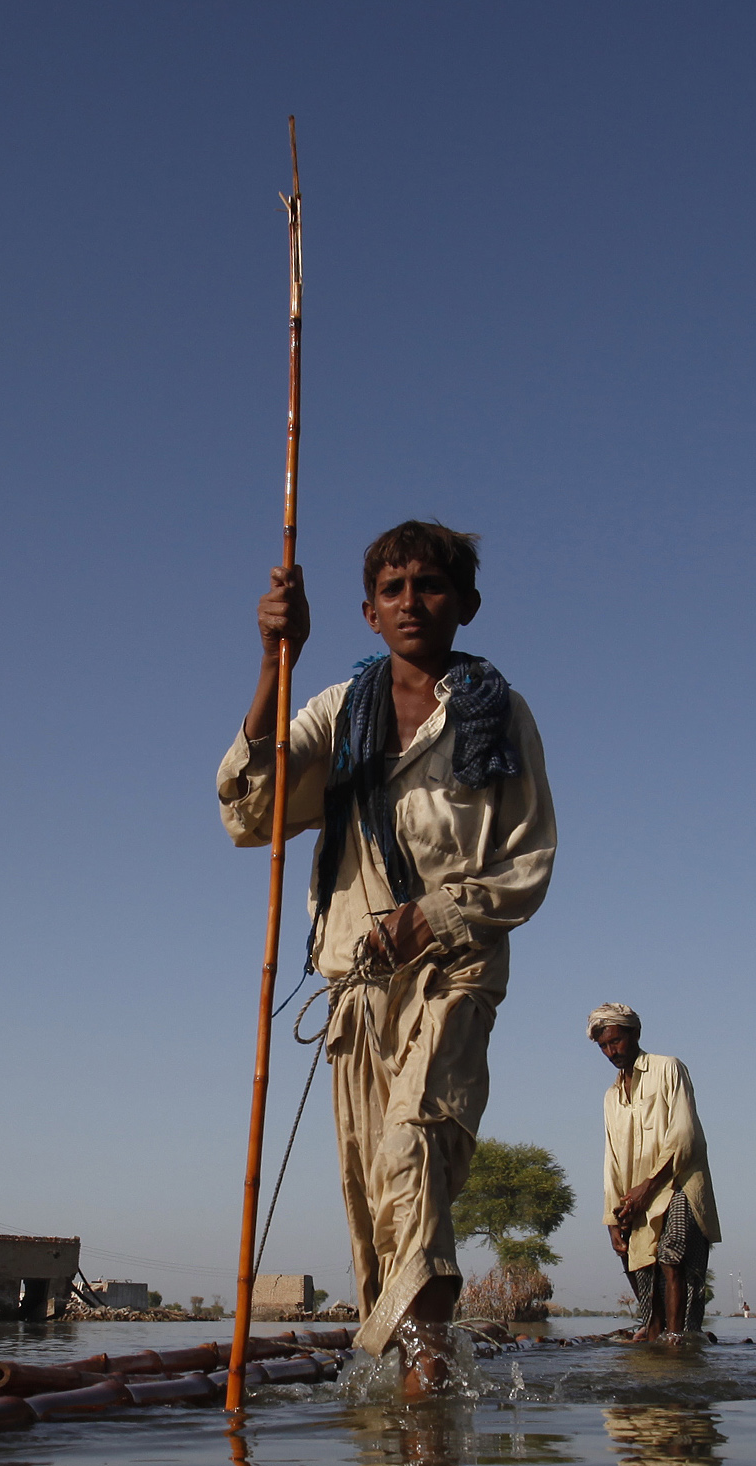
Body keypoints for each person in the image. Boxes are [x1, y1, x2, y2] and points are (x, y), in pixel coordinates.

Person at [217, 522, 557, 1394]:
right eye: (395, 589)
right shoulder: (336, 712)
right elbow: (250, 813)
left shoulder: (499, 716)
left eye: (431, 586)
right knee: (376, 1199)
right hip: (357, 989)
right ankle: (410, 1399)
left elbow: (525, 865)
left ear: (466, 605)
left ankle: (426, 1388)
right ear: (369, 613)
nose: (413, 602)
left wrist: (434, 915)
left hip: (454, 973)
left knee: (414, 1152)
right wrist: (270, 660)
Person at [590, 1004, 721, 1341]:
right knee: (635, 1260)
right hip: (636, 1195)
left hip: (678, 1183)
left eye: (616, 1041)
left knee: (672, 1256)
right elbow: (613, 1160)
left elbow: (685, 1136)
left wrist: (649, 1186)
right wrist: (611, 1218)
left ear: (635, 1034)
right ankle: (655, 1329)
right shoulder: (611, 1096)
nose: (610, 1052)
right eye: (603, 1046)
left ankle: (677, 1339)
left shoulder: (668, 1069)